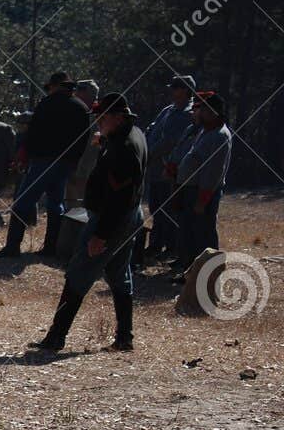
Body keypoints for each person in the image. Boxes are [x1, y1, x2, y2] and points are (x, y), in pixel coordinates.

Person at [30, 93, 146, 354]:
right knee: (119, 276)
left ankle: (56, 338)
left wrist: (101, 235)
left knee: (77, 274)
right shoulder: (133, 135)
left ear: (118, 118)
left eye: (103, 118)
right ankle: (124, 337)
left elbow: (119, 197)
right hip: (130, 216)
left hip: (111, 219)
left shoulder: (123, 148)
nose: (99, 122)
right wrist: (104, 141)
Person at [0, 72, 94, 258]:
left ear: (55, 86)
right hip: (65, 164)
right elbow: (83, 141)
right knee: (56, 205)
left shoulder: (46, 104)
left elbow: (33, 134)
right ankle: (51, 248)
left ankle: (12, 247)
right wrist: (73, 162)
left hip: (43, 162)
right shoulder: (81, 108)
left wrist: (25, 157)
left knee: (22, 202)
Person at [170, 90, 233, 281]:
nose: (199, 113)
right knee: (190, 234)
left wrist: (202, 200)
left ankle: (209, 276)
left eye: (204, 110)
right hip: (191, 190)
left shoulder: (219, 136)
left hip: (202, 193)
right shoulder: (206, 130)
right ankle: (190, 273)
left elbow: (213, 173)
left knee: (203, 236)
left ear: (214, 112)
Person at [144, 75, 197, 260]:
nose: (172, 91)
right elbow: (152, 128)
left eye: (175, 88)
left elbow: (170, 141)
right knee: (156, 207)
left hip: (170, 169)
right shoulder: (168, 109)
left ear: (185, 90)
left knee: (170, 210)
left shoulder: (188, 113)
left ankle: (171, 247)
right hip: (156, 168)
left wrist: (150, 153)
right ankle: (156, 244)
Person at [65, 80, 101, 206]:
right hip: (73, 166)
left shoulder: (99, 115)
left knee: (85, 202)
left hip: (89, 168)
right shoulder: (74, 111)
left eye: (80, 90)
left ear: (90, 94)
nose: (76, 93)